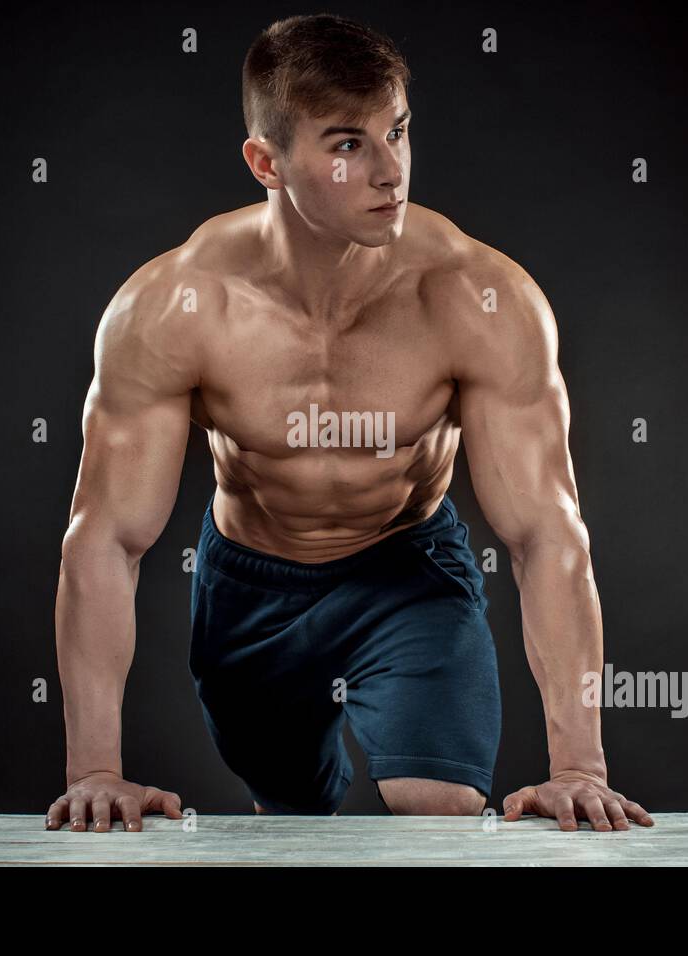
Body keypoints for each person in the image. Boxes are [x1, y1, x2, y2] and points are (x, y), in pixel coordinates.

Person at [45, 13, 653, 833]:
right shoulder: (173, 308)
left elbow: (549, 532)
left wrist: (580, 765)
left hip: (408, 571)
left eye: (396, 130)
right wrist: (95, 772)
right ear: (266, 162)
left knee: (438, 808)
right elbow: (104, 538)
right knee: (291, 818)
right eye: (346, 145)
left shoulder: (478, 298)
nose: (390, 170)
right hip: (250, 592)